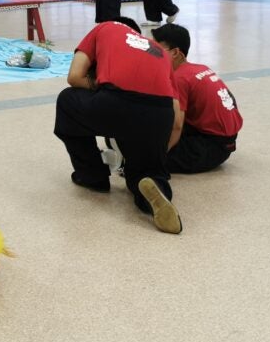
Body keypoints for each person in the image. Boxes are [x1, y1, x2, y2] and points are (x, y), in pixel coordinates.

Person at [54, 16, 184, 234]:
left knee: (67, 101)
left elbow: (74, 77)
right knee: (145, 172)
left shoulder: (103, 28)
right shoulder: (157, 50)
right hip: (159, 113)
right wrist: (158, 153)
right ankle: (154, 188)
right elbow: (177, 121)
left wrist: (99, 84)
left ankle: (92, 177)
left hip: (116, 102)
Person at [152, 24, 242, 173]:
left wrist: (160, 154)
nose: (151, 52)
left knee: (148, 157)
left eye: (156, 48)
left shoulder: (179, 79)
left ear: (175, 53)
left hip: (211, 147)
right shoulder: (201, 68)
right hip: (227, 139)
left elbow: (177, 126)